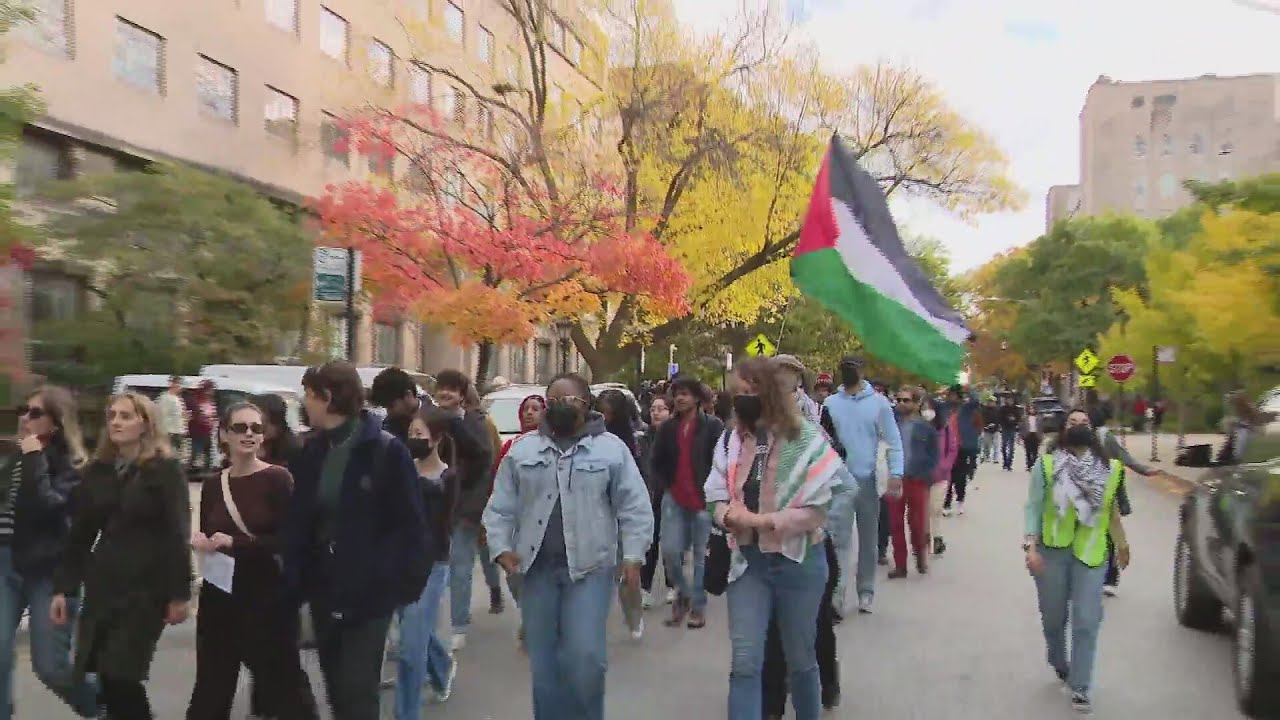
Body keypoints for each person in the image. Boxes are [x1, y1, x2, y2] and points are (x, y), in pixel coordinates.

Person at [484, 373, 653, 720]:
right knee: (545, 668)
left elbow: (634, 506)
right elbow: (500, 506)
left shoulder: (611, 450)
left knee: (586, 660)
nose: (560, 405)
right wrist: (500, 548)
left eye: (569, 399)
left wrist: (634, 556)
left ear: (586, 405)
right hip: (536, 571)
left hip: (590, 570)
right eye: (554, 399)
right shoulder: (523, 450)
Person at [281, 361, 429, 720]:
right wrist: (293, 585)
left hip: (369, 593)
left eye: (309, 395)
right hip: (323, 587)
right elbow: (299, 522)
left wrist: (396, 582)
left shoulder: (384, 451)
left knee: (357, 691)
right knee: (335, 689)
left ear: (327, 397)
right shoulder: (309, 451)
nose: (305, 403)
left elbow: (410, 525)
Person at [703, 357, 841, 720]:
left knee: (801, 661)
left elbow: (819, 509)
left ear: (772, 394)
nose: (743, 399)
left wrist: (762, 521)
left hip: (800, 562)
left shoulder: (806, 439)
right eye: (737, 393)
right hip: (748, 563)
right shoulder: (731, 441)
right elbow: (714, 493)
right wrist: (726, 514)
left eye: (752, 391)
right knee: (746, 662)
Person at [52, 392, 193, 719]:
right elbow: (80, 535)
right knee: (103, 673)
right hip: (105, 584)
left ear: (146, 424)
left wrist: (179, 593)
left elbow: (177, 533)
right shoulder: (99, 471)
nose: (116, 421)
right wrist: (64, 587)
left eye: (126, 416)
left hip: (146, 588)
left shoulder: (164, 470)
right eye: (112, 415)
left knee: (122, 672)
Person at [186, 402, 317, 720]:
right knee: (211, 686)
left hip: (265, 594)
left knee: (283, 682)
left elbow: (291, 539)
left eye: (256, 428)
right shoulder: (215, 483)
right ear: (224, 435)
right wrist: (203, 542)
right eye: (240, 428)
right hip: (219, 594)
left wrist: (238, 543)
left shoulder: (278, 479)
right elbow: (209, 529)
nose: (248, 434)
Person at [0, 387, 98, 719]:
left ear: (56, 423)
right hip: (5, 564)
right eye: (22, 410)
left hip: (48, 571)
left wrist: (33, 459)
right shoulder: (14, 458)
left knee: (52, 667)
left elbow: (50, 509)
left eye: (34, 413)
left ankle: (104, 703)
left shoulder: (73, 464)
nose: (24, 418)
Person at [1024, 409, 1130, 714]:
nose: (1080, 426)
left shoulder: (1111, 469)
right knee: (1054, 618)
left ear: (1093, 430)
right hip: (1052, 552)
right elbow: (1033, 507)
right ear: (1063, 430)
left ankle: (1081, 686)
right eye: (1073, 422)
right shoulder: (1046, 466)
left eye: (1085, 423)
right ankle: (1058, 660)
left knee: (1087, 619)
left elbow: (1110, 512)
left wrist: (1121, 545)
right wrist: (1030, 546)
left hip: (1092, 554)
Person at [821, 356, 902, 615]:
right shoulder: (830, 404)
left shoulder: (879, 404)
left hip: (868, 479)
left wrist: (896, 473)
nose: (848, 373)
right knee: (838, 538)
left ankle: (866, 591)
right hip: (838, 481)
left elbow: (893, 440)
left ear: (862, 371)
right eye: (844, 368)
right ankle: (837, 595)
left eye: (853, 368)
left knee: (868, 539)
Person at [394, 407, 461, 717]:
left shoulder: (448, 476)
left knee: (409, 646)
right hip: (398, 563)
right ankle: (443, 666)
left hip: (432, 565)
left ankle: (406, 713)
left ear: (436, 439)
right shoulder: (401, 470)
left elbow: (441, 522)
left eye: (419, 435)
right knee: (414, 629)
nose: (414, 440)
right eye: (411, 435)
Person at [649, 376, 724, 630]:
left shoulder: (713, 426)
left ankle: (698, 608)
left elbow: (722, 461)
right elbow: (656, 460)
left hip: (703, 500)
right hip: (674, 498)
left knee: (701, 557)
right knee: (670, 552)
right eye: (677, 394)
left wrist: (717, 492)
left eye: (686, 394)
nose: (680, 398)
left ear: (697, 398)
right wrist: (665, 484)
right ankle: (683, 592)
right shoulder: (668, 428)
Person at [433, 369, 500, 649]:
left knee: (478, 557)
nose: (445, 393)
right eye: (442, 388)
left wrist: (455, 424)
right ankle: (458, 621)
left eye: (452, 389)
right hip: (446, 503)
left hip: (473, 502)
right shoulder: (431, 420)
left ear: (462, 395)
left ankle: (461, 623)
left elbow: (484, 454)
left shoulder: (475, 422)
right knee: (460, 561)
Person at [597, 389, 646, 639]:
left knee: (628, 574)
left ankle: (633, 616)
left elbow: (636, 485)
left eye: (609, 412)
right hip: (598, 516)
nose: (604, 416)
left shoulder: (628, 441)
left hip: (622, 514)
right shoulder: (590, 439)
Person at [886, 386, 939, 577]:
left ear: (916, 403)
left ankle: (920, 556)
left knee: (917, 523)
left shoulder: (926, 428)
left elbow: (934, 455)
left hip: (917, 480)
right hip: (896, 480)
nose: (901, 403)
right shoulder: (890, 426)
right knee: (895, 524)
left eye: (906, 400)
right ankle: (900, 565)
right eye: (898, 400)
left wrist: (925, 475)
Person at [637, 395, 673, 609]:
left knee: (670, 543)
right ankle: (644, 588)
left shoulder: (677, 436)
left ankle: (673, 585)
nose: (656, 413)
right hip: (648, 496)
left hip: (671, 496)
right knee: (649, 543)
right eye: (653, 409)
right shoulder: (642, 439)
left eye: (662, 409)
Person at [926, 396, 957, 557]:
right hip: (921, 475)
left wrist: (944, 466)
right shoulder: (919, 427)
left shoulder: (945, 429)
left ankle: (936, 537)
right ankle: (925, 537)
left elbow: (952, 449)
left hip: (941, 476)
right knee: (924, 510)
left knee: (935, 508)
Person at [944, 385, 981, 516]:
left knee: (960, 477)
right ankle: (946, 503)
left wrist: (969, 389)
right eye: (950, 395)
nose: (952, 397)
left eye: (955, 395)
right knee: (946, 476)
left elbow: (976, 401)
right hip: (946, 447)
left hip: (961, 447)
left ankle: (960, 500)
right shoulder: (944, 409)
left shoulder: (965, 409)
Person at [370, 367, 425, 443]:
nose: (388, 412)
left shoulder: (438, 419)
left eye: (391, 406)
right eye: (386, 407)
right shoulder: (388, 427)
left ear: (408, 395)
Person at [776, 355, 821, 424]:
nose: (782, 377)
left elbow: (815, 431)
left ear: (799, 380)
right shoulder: (762, 402)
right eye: (778, 372)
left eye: (788, 373)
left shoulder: (809, 406)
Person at [188, 380, 218, 472]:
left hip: (208, 430)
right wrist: (204, 419)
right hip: (198, 430)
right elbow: (194, 415)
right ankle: (191, 467)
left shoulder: (210, 401)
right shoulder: (196, 401)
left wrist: (212, 420)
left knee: (208, 451)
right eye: (210, 389)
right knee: (197, 449)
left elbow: (213, 413)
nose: (211, 392)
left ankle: (207, 469)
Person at [157, 375, 187, 458]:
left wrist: (184, 415)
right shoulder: (165, 398)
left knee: (179, 455)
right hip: (170, 432)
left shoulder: (178, 399)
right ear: (172, 385)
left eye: (180, 384)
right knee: (169, 454)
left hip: (179, 431)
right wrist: (164, 432)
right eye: (177, 384)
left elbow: (178, 413)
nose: (179, 387)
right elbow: (162, 415)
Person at [999, 395, 1021, 471]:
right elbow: (1000, 418)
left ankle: (1009, 463)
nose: (1010, 401)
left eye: (1011, 400)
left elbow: (1019, 418)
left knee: (1011, 448)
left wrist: (1014, 421)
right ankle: (1005, 461)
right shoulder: (1002, 409)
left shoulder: (1016, 409)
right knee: (1004, 446)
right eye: (1008, 400)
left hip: (1012, 429)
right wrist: (1006, 419)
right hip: (1005, 429)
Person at [1021, 403, 1043, 471]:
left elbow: (1041, 427)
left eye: (1033, 408)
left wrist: (1041, 436)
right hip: (1028, 435)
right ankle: (1029, 464)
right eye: (1030, 409)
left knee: (1035, 451)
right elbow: (1022, 427)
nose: (1031, 410)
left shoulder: (1039, 418)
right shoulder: (1025, 418)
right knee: (1028, 451)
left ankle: (1034, 464)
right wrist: (1022, 435)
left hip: (1035, 435)